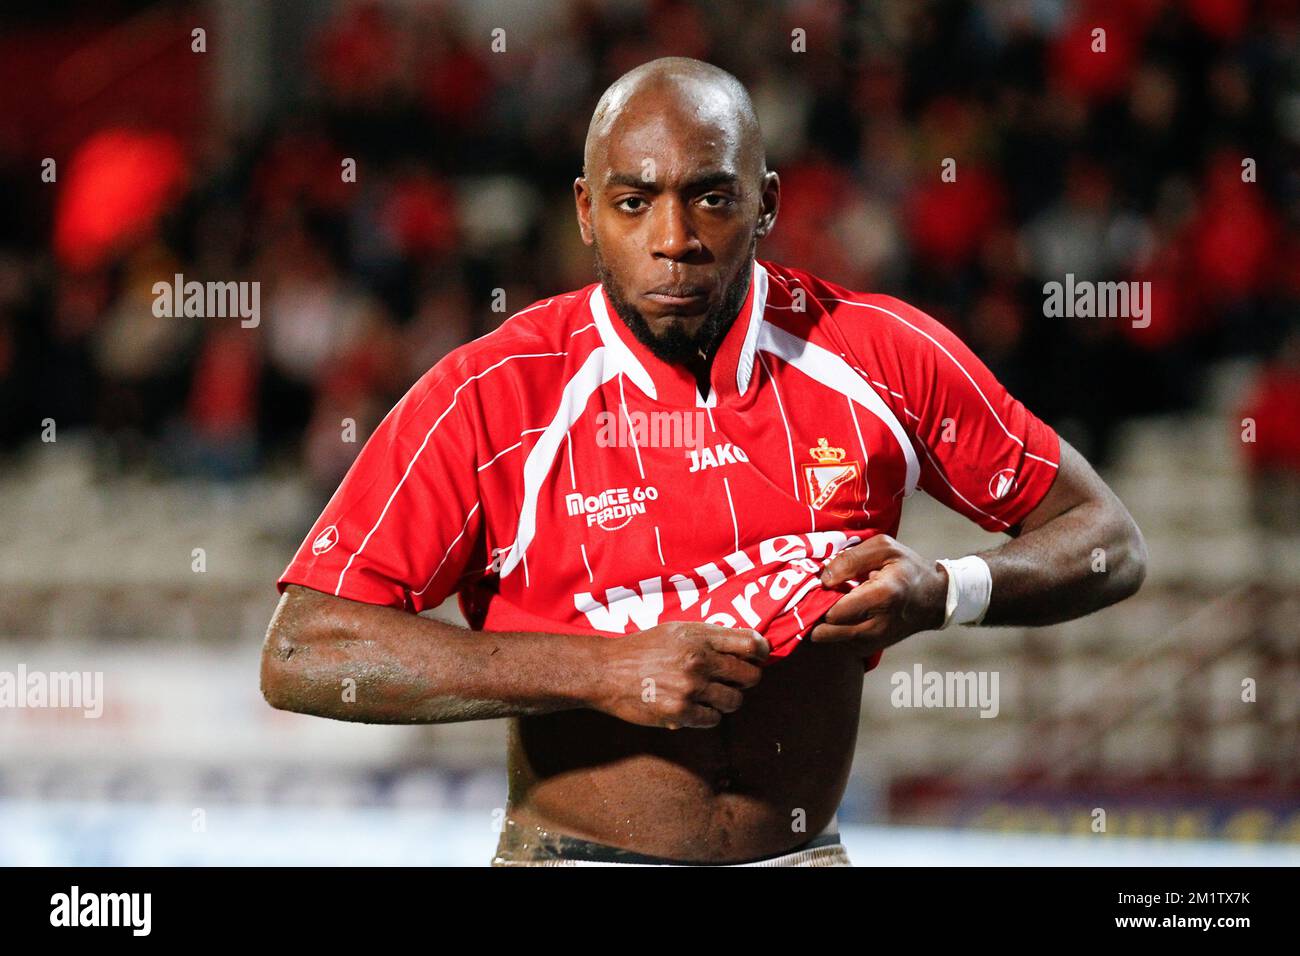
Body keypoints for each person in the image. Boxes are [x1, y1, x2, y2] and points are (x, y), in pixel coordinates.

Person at [260, 57, 1148, 867]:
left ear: (765, 201)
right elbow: (304, 647)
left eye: (711, 197)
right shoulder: (495, 394)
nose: (674, 237)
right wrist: (602, 670)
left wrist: (945, 592)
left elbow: (1107, 540)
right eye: (634, 201)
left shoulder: (881, 354)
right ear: (585, 212)